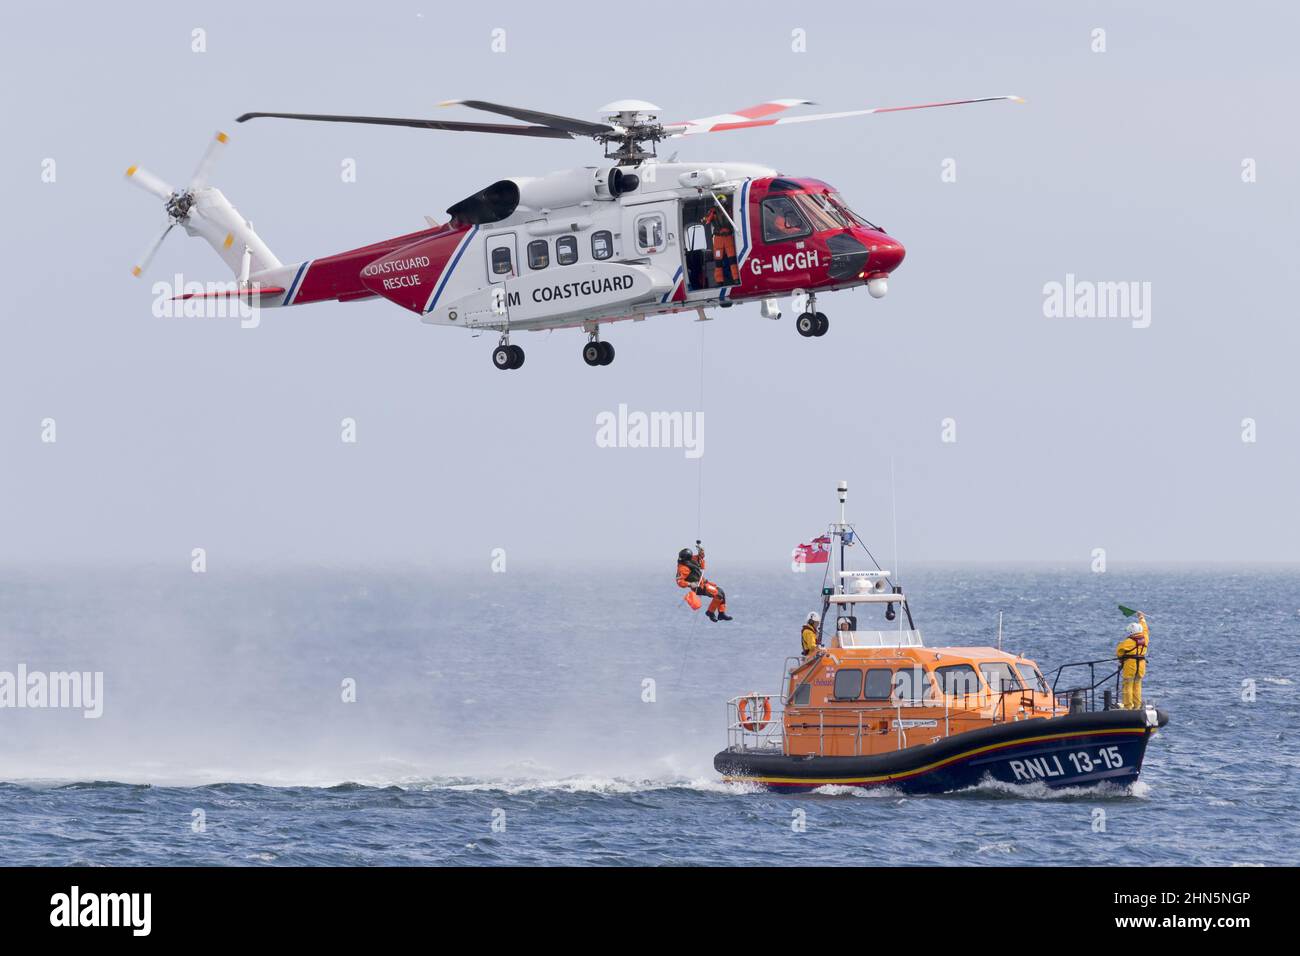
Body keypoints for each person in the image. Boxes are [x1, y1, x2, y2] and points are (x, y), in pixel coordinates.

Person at [676, 544, 732, 622]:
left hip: (704, 583)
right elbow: (679, 581)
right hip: (699, 587)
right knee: (718, 594)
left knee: (721, 592)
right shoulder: (683, 568)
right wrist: (690, 584)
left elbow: (700, 557)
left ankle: (721, 613)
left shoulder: (690, 560)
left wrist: (701, 550)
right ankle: (710, 612)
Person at [1115, 612, 1149, 709]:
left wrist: (1121, 659)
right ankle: (1137, 705)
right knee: (1137, 684)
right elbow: (1145, 629)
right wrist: (1141, 617)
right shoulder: (1145, 639)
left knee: (1128, 684)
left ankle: (1128, 706)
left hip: (1130, 665)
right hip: (1141, 665)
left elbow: (1119, 651)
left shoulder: (1127, 642)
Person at [701, 201, 737, 286]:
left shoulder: (730, 211)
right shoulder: (713, 212)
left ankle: (735, 278)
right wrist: (709, 215)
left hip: (728, 238)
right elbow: (706, 221)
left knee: (732, 260)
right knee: (718, 262)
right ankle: (719, 280)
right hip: (718, 239)